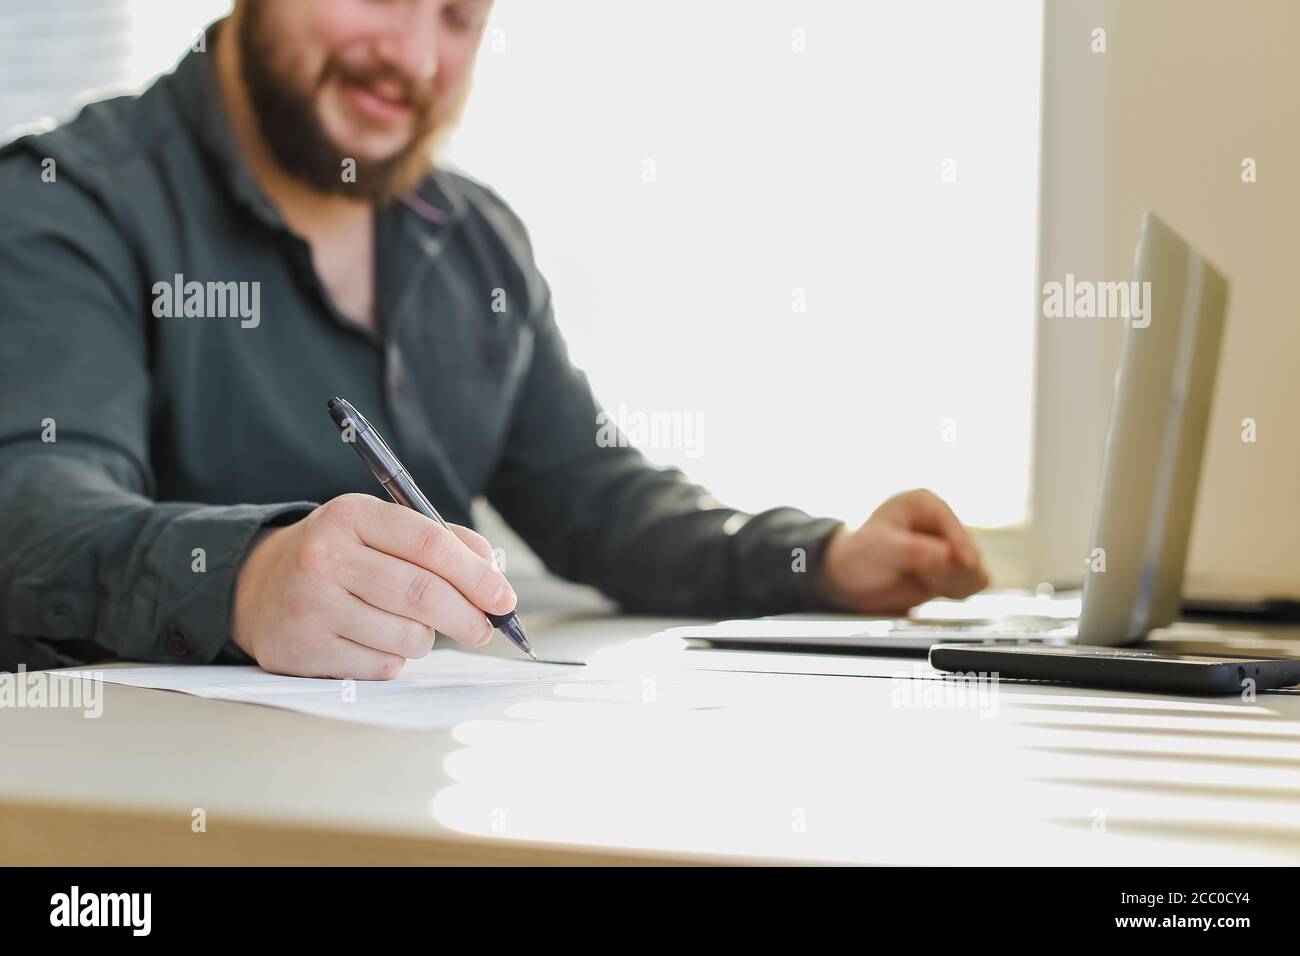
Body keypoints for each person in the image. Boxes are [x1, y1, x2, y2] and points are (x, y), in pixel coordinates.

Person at [0, 0, 987, 679]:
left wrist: (820, 559)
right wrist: (247, 576)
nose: (415, 58)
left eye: (459, 17)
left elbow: (597, 501)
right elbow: (33, 509)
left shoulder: (476, 243)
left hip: (410, 804)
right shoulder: (67, 203)